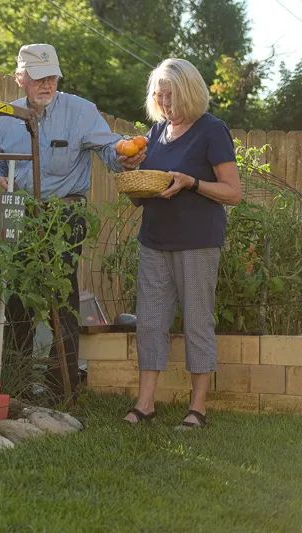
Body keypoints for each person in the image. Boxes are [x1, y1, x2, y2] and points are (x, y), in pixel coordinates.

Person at [0, 43, 144, 400]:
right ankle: (16, 386)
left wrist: (126, 154)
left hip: (64, 213)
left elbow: (110, 149)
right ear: (21, 79)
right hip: (18, 211)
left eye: (52, 77)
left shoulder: (81, 111)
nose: (47, 85)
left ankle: (63, 388)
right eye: (39, 78)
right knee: (17, 299)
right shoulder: (5, 116)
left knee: (62, 297)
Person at [123, 58, 242, 428]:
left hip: (197, 242)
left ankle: (198, 409)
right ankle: (145, 405)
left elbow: (233, 193)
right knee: (151, 323)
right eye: (159, 96)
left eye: (170, 96)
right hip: (154, 241)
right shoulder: (157, 133)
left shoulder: (212, 130)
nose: (165, 104)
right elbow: (143, 196)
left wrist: (192, 182)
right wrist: (132, 176)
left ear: (189, 93)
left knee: (197, 322)